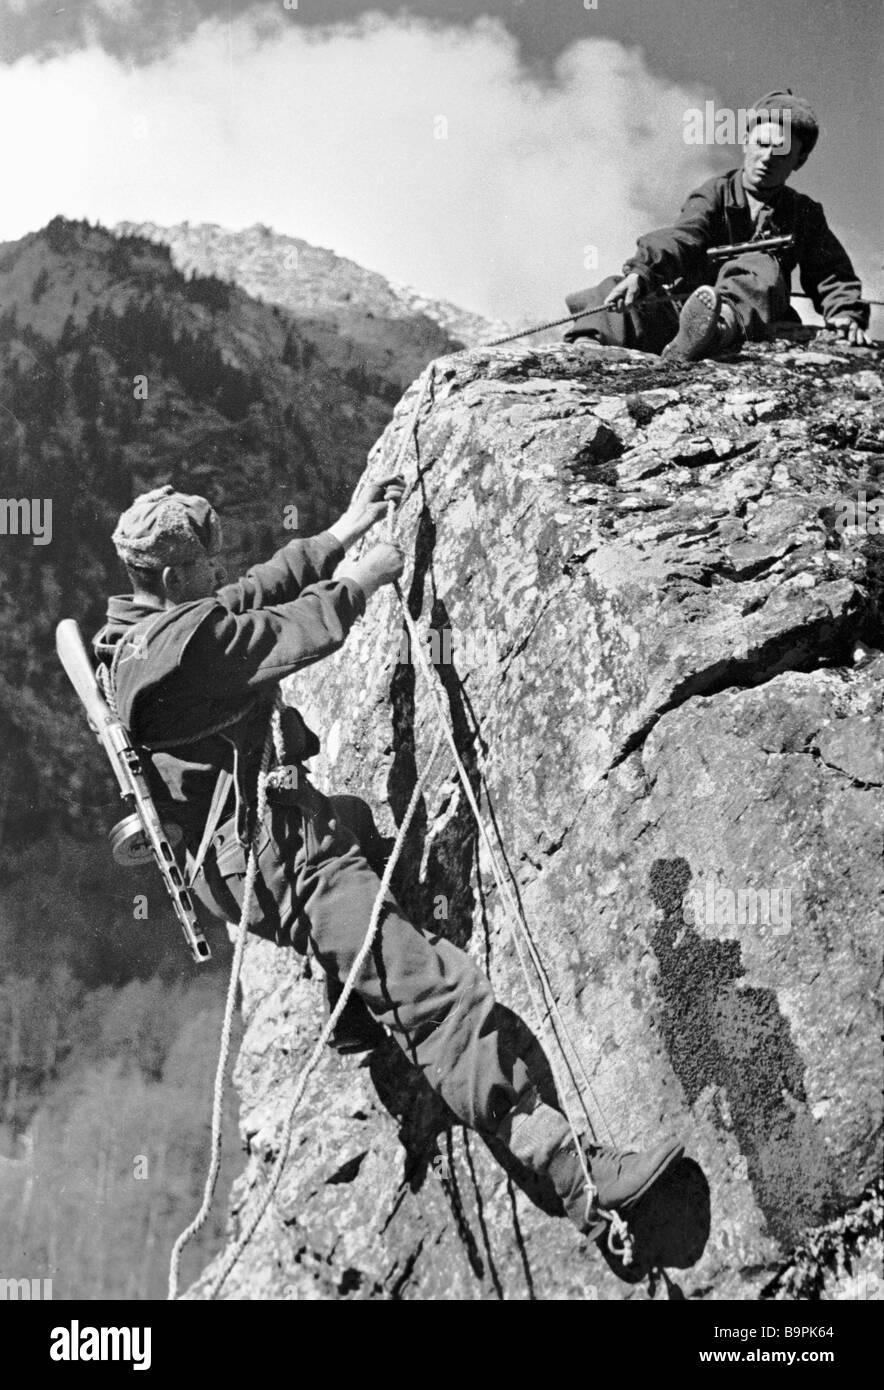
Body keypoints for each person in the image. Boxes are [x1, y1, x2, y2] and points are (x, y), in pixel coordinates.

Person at [93, 482, 684, 1244]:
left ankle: (354, 1017)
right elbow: (288, 627)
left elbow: (242, 598)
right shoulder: (183, 658)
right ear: (174, 579)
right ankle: (582, 1184)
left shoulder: (144, 633)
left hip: (255, 851)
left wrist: (338, 531)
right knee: (433, 992)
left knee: (358, 821)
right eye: (204, 562)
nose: (219, 569)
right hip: (280, 861)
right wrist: (362, 578)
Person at [565, 89, 871, 361]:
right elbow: (682, 237)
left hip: (745, 322)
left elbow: (831, 271)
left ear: (799, 161)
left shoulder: (804, 212)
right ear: (745, 142)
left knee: (761, 266)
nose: (767, 157)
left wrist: (844, 312)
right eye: (761, 144)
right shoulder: (715, 192)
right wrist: (642, 273)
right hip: (683, 312)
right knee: (615, 289)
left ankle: (715, 330)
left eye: (781, 151)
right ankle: (587, 345)